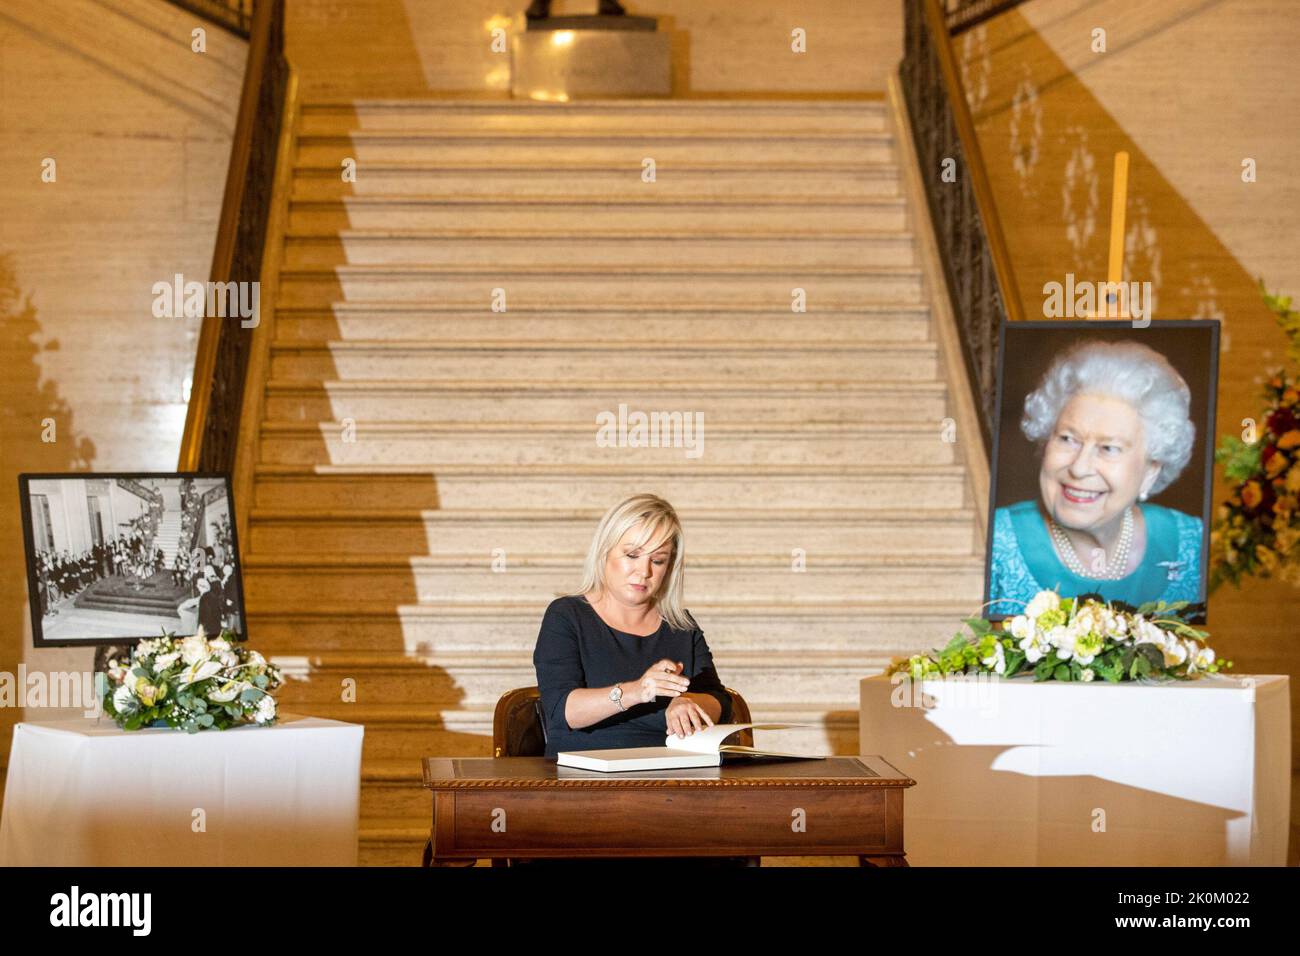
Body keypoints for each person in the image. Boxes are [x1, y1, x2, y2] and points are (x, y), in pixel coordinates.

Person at [988, 339, 1204, 616]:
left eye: (1108, 448)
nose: (1079, 468)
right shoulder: (995, 541)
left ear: (1151, 470)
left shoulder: (1193, 542)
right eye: (1068, 439)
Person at [533, 493, 731, 758]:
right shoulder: (567, 616)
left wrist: (688, 702)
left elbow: (720, 701)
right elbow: (562, 711)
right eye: (632, 555)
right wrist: (638, 691)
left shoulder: (681, 626)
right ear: (604, 551)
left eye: (657, 560)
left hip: (669, 770)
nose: (644, 571)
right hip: (584, 770)